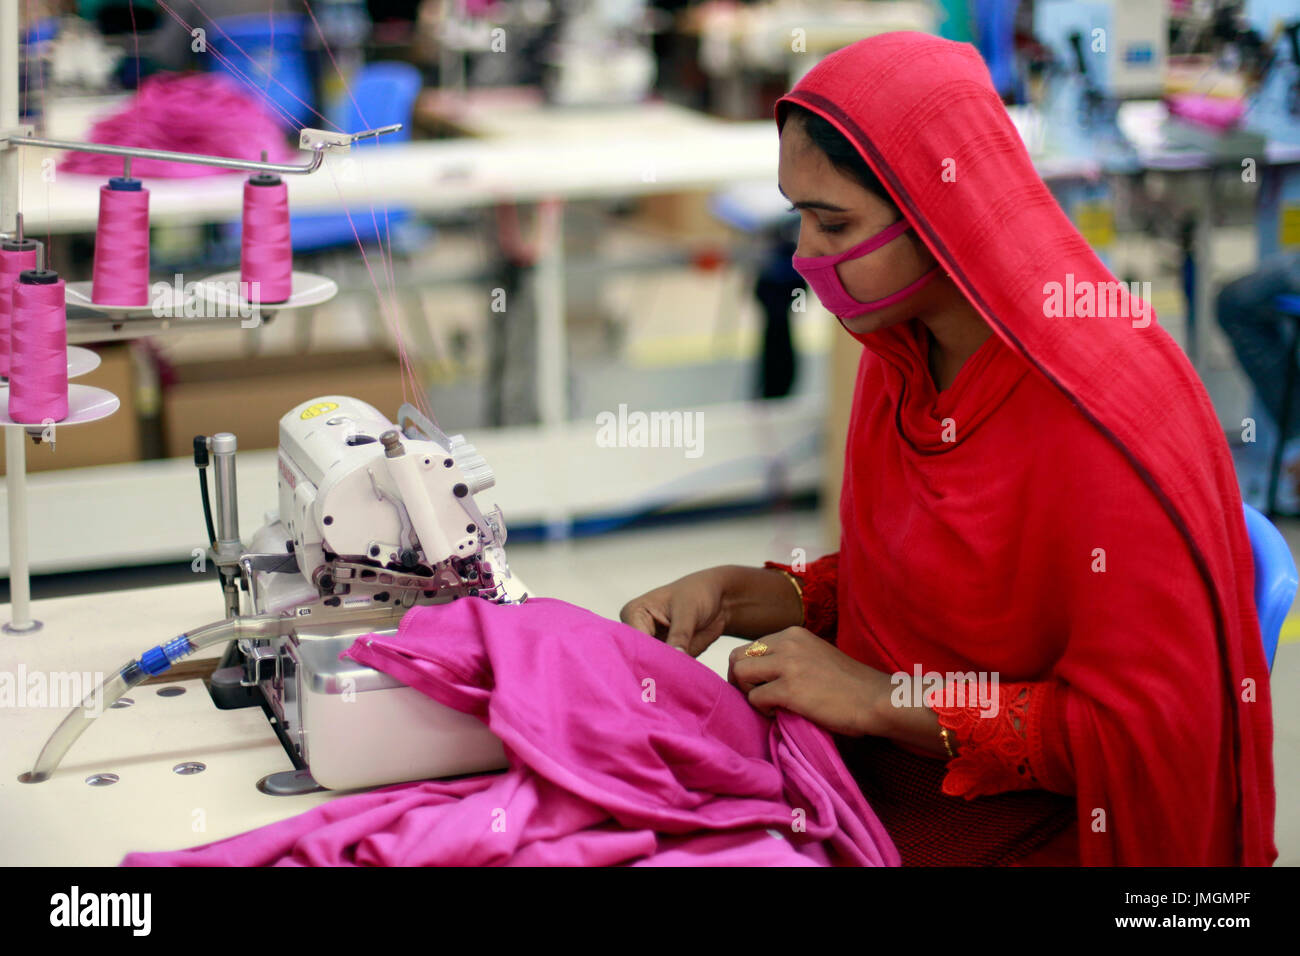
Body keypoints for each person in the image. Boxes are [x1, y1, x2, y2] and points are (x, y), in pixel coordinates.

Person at [620, 32, 1277, 866]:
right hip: (872, 793)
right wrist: (735, 595)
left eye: (835, 224)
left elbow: (1146, 733)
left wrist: (886, 702)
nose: (806, 256)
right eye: (801, 218)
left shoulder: (1098, 413)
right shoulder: (904, 359)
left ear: (940, 209)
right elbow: (920, 596)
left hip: (1039, 836)